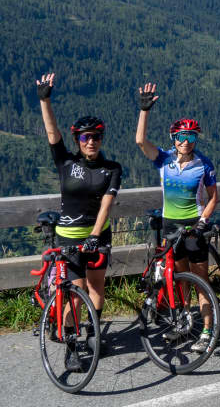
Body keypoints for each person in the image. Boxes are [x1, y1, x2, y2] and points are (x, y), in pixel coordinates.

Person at [35, 72, 121, 364]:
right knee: (74, 292)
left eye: (96, 136)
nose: (91, 142)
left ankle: (95, 334)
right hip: (67, 238)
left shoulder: (112, 168)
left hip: (98, 236)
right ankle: (71, 346)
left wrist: (96, 235)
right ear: (78, 140)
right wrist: (45, 99)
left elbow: (107, 204)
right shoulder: (66, 161)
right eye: (86, 137)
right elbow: (52, 133)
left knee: (96, 286)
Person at [134, 82, 218, 354]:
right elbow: (140, 141)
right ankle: (184, 322)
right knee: (179, 279)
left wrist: (202, 221)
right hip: (171, 227)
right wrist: (144, 109)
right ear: (174, 138)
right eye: (182, 136)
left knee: (201, 281)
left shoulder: (204, 164)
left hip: (194, 228)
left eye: (192, 137)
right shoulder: (164, 159)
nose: (186, 142)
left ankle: (207, 329)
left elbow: (214, 197)